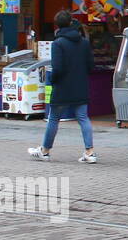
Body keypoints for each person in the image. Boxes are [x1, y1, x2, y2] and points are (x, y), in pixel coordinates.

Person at [28, 10, 96, 163]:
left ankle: (45, 151)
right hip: (80, 86)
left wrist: (52, 80)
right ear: (71, 22)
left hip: (62, 87)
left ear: (57, 25)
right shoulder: (84, 42)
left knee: (53, 119)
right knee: (83, 118)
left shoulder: (58, 43)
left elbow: (57, 68)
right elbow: (91, 65)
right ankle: (89, 152)